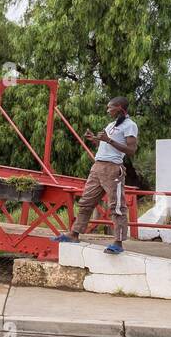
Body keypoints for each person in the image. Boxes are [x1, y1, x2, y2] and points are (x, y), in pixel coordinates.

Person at [53, 97, 137, 254]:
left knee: (116, 206)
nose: (108, 111)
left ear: (119, 107)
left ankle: (118, 243)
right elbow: (106, 145)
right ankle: (74, 234)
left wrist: (108, 140)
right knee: (86, 202)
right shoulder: (111, 125)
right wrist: (96, 141)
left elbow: (131, 150)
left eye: (110, 108)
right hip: (97, 167)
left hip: (113, 169)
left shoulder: (130, 126)